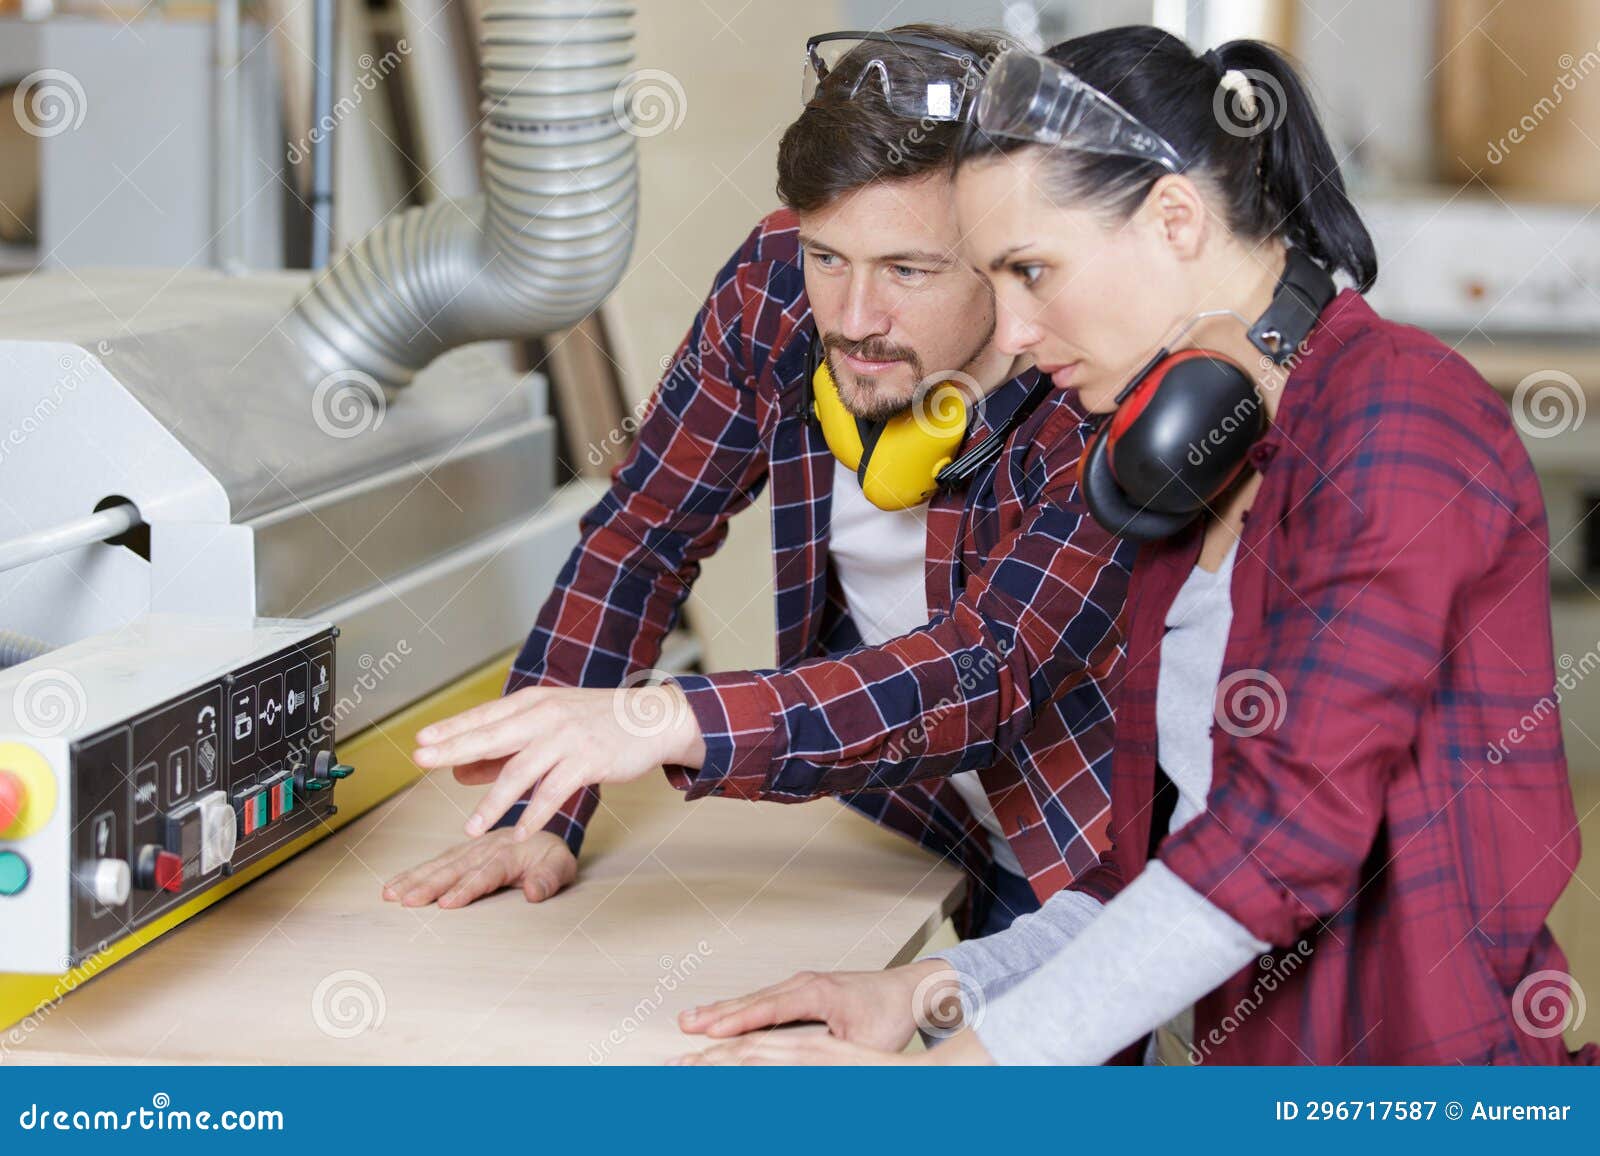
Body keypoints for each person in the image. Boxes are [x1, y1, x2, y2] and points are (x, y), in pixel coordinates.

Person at [675, 26, 1597, 1066]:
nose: (1012, 330)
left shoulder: (1401, 424)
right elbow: (1152, 876)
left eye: (1031, 270)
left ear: (1173, 218)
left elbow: (1280, 841)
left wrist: (950, 1087)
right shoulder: (1182, 470)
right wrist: (933, 990)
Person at [382, 26, 1135, 942]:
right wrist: (531, 817)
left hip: (1085, 852)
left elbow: (989, 672)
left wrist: (671, 715)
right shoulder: (776, 288)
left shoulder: (1095, 381)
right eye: (829, 257)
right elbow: (641, 536)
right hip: (914, 822)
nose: (855, 318)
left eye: (908, 269)